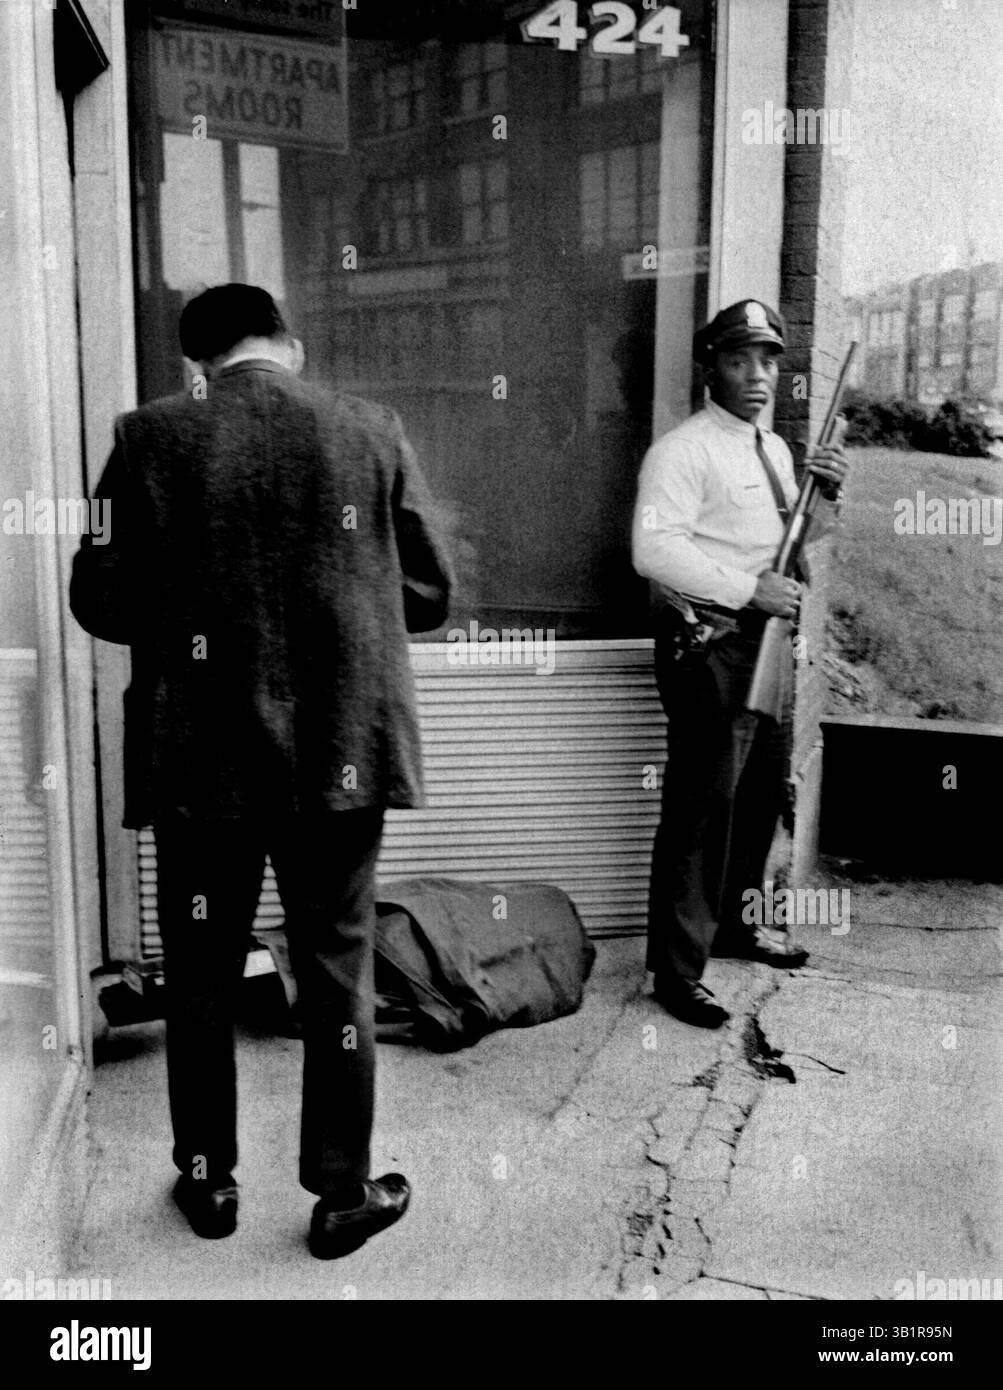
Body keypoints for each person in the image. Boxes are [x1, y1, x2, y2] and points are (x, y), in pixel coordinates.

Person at [70, 283, 453, 1258]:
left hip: (205, 759)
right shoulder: (370, 429)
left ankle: (209, 1184)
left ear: (195, 364)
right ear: (292, 342)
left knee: (199, 971)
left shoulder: (151, 436)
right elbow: (429, 591)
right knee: (335, 967)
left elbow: (99, 598)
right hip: (341, 755)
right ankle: (341, 1191)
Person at [631, 299, 848, 1029]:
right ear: (710, 369)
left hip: (768, 650)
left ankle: (736, 925)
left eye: (765, 361)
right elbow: (652, 550)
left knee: (758, 794)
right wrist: (745, 589)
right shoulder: (683, 450)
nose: (755, 375)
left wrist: (826, 492)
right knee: (700, 809)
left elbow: (790, 544)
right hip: (714, 647)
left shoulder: (775, 450)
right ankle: (676, 972)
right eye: (737, 360)